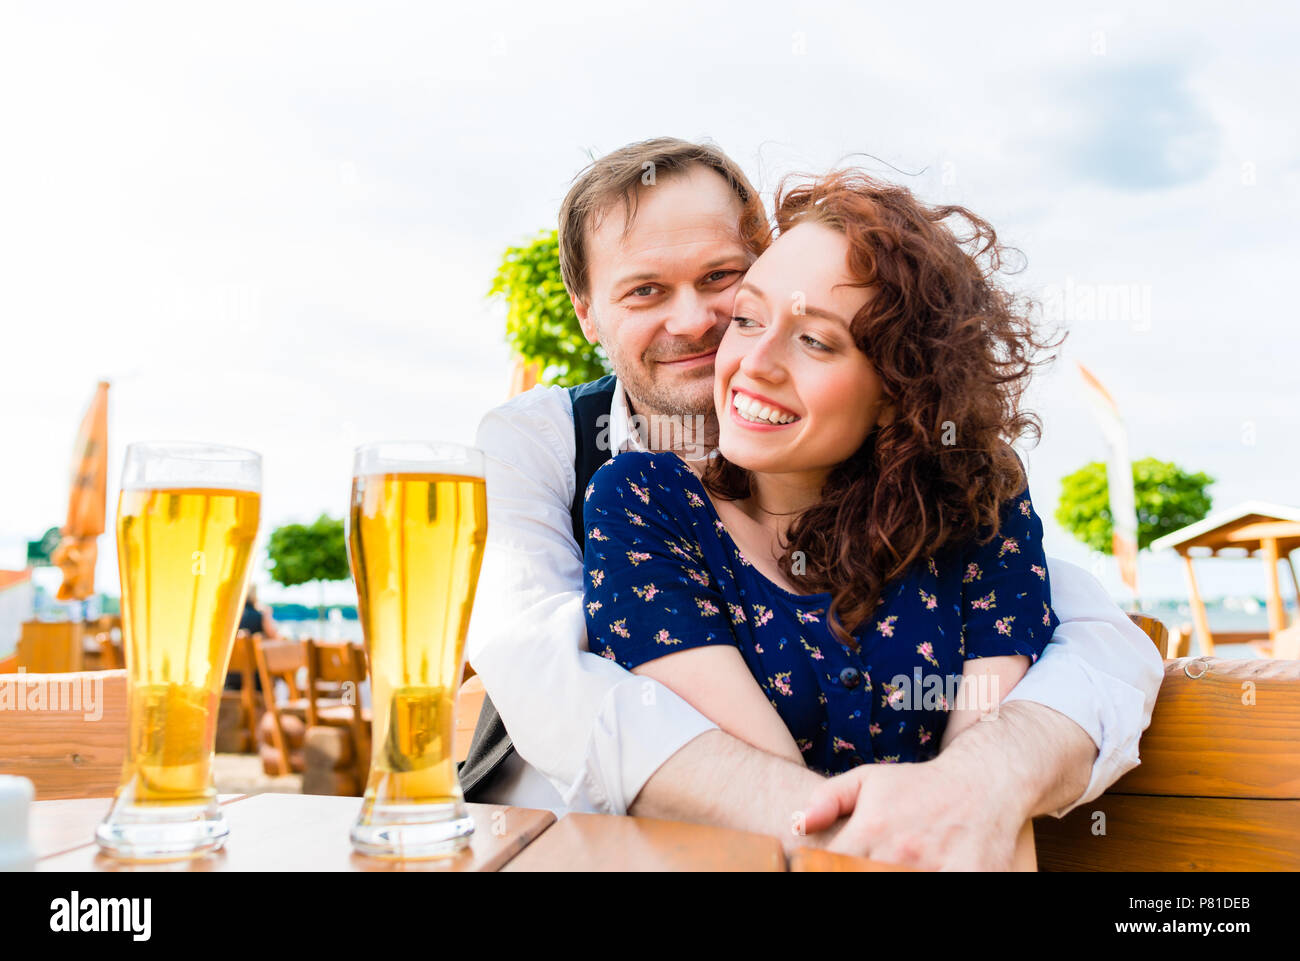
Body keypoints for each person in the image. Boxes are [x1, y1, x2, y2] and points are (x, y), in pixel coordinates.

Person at [461, 138, 1164, 869]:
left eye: (722, 279)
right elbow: (539, 667)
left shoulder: (945, 481)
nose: (697, 320)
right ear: (588, 316)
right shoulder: (563, 454)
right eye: (645, 290)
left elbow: (1084, 630)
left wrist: (975, 783)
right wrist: (859, 832)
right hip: (541, 828)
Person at [582, 168, 1058, 869]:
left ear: (900, 390)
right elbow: (775, 803)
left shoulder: (978, 494)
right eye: (747, 318)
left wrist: (962, 802)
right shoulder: (644, 503)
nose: (753, 363)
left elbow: (980, 804)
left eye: (817, 342)